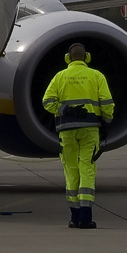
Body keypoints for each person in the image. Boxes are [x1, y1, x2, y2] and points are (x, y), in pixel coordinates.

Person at [42, 42, 114, 229]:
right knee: (87, 169)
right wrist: (106, 123)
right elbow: (107, 103)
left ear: (68, 58)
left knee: (71, 171)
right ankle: (86, 216)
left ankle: (74, 217)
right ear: (86, 57)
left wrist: (65, 110)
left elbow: (47, 101)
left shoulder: (60, 77)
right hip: (90, 130)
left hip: (66, 130)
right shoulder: (96, 76)